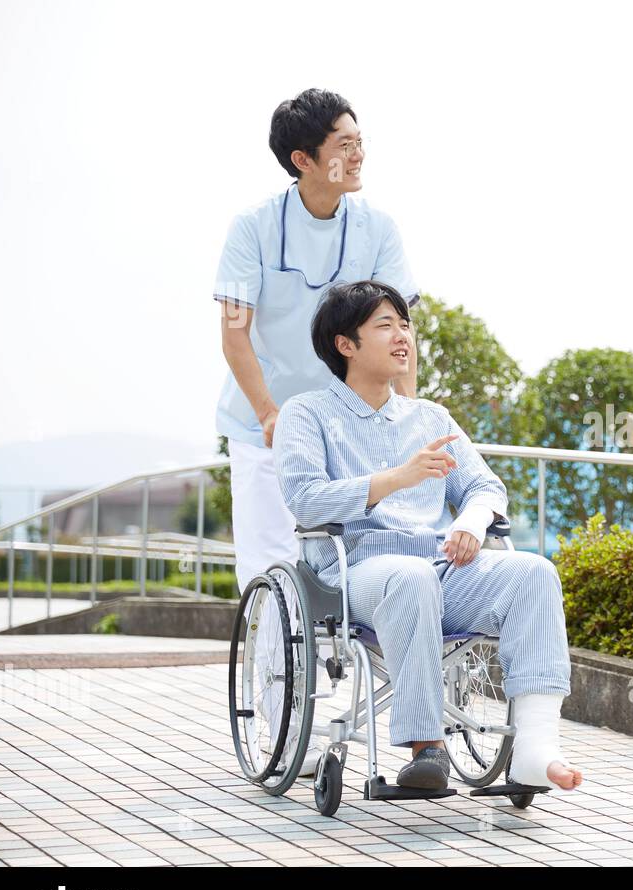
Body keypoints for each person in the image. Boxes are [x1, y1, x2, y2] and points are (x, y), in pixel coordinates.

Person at [272, 280, 583, 792]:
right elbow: (305, 499)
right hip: (351, 567)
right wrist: (397, 478)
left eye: (405, 324)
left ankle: (534, 748)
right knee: (411, 576)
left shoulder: (430, 417)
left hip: (437, 564)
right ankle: (426, 748)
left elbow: (485, 486)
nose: (403, 336)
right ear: (345, 344)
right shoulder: (306, 414)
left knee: (534, 572)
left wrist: (470, 522)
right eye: (385, 325)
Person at [213, 89, 419, 775]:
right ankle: (282, 723)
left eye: (360, 139)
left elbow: (399, 339)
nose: (358, 153)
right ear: (303, 159)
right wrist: (272, 414)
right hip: (265, 426)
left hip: (352, 430)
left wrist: (407, 420)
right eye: (343, 143)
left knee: (373, 558)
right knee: (275, 568)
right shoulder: (254, 229)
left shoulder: (377, 228)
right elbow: (234, 335)